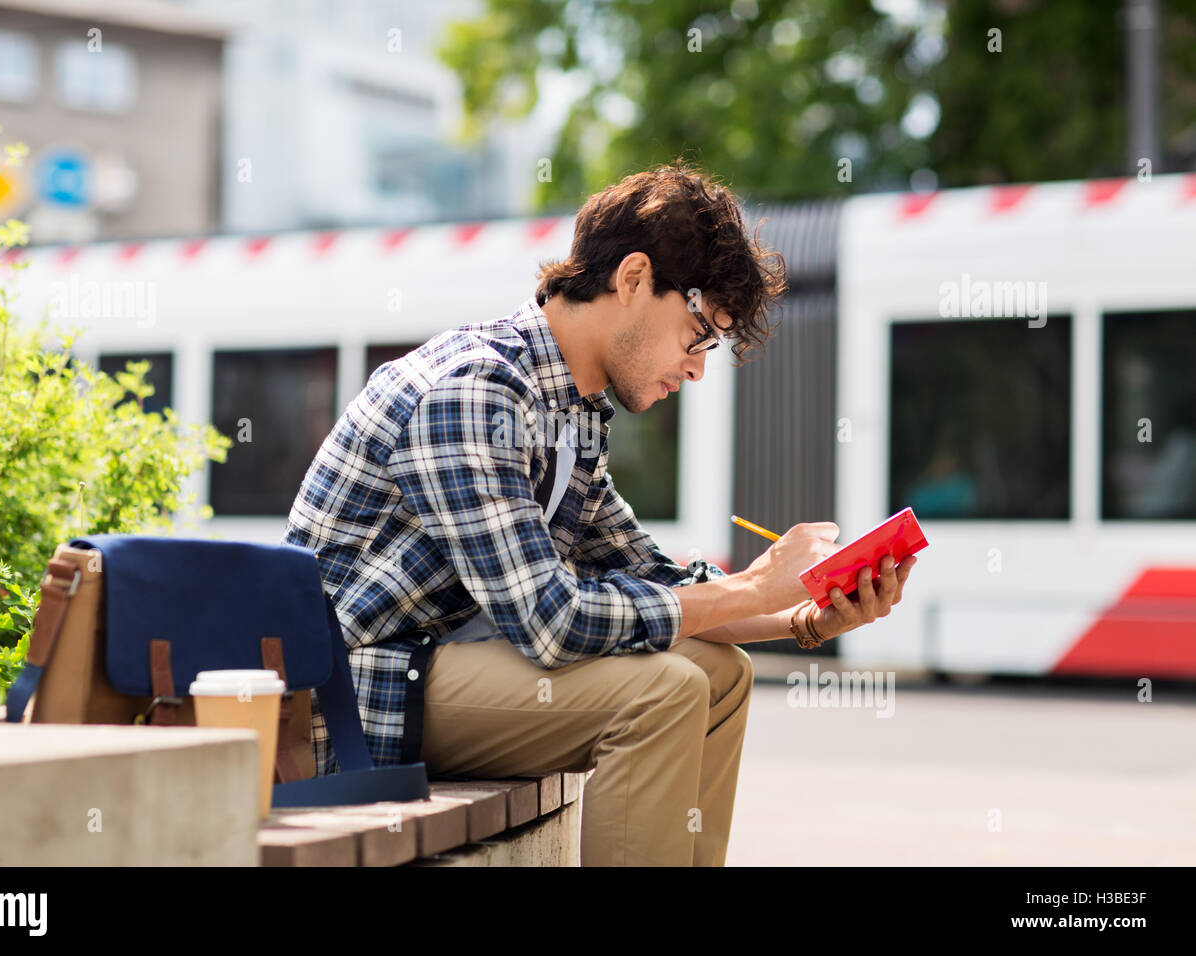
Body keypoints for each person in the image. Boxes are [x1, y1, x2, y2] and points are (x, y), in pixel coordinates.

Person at [282, 161, 917, 866]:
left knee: (720, 671)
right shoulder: (472, 392)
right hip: (355, 692)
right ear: (634, 278)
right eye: (699, 332)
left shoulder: (573, 415)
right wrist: (751, 587)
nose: (700, 367)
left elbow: (654, 577)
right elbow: (551, 623)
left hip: (440, 670)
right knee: (662, 691)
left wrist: (805, 614)